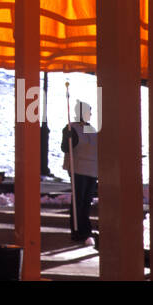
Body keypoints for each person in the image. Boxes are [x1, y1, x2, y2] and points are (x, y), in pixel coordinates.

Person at [61, 100, 98, 242]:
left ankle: (85, 228)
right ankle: (77, 230)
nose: (91, 114)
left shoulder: (91, 129)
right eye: (89, 111)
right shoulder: (71, 128)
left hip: (92, 170)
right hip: (78, 169)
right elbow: (65, 148)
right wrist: (68, 139)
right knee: (79, 201)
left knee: (86, 201)